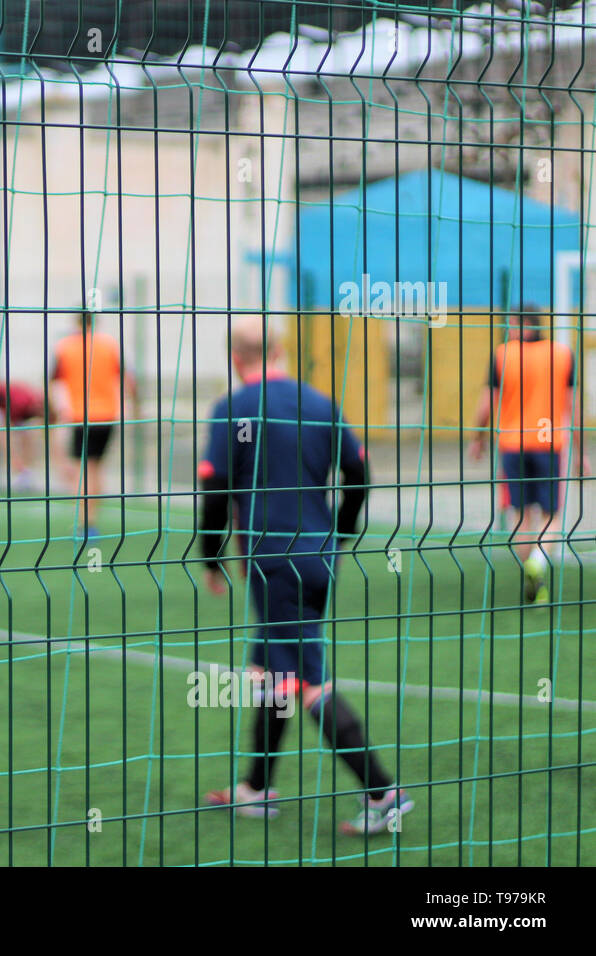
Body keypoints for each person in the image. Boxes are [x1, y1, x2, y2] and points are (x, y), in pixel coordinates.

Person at [198, 316, 412, 836]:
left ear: (236, 359)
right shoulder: (320, 403)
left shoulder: (233, 410)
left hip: (274, 564)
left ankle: (385, 794)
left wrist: (211, 555)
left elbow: (217, 492)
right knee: (273, 674)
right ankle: (255, 789)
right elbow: (359, 476)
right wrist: (340, 531)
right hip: (317, 558)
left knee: (308, 683)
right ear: (280, 352)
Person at [471, 307, 579, 604]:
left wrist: (477, 438)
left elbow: (486, 404)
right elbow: (573, 406)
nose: (510, 329)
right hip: (549, 442)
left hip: (512, 444)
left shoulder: (502, 355)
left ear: (524, 324)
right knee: (551, 514)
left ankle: (531, 571)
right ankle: (540, 561)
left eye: (512, 324)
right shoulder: (562, 354)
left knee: (519, 515)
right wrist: (581, 451)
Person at [49, 312, 134, 538]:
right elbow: (125, 379)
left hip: (80, 416)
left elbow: (54, 382)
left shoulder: (64, 347)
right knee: (96, 467)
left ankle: (86, 522)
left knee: (82, 470)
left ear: (76, 322)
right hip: (107, 415)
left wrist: (58, 411)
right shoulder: (109, 345)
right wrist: (127, 406)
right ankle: (91, 520)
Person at [0, 379, 45, 490]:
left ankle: (24, 472)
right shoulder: (22, 403)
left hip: (6, 403)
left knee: (25, 438)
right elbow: (7, 428)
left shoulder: (32, 407)